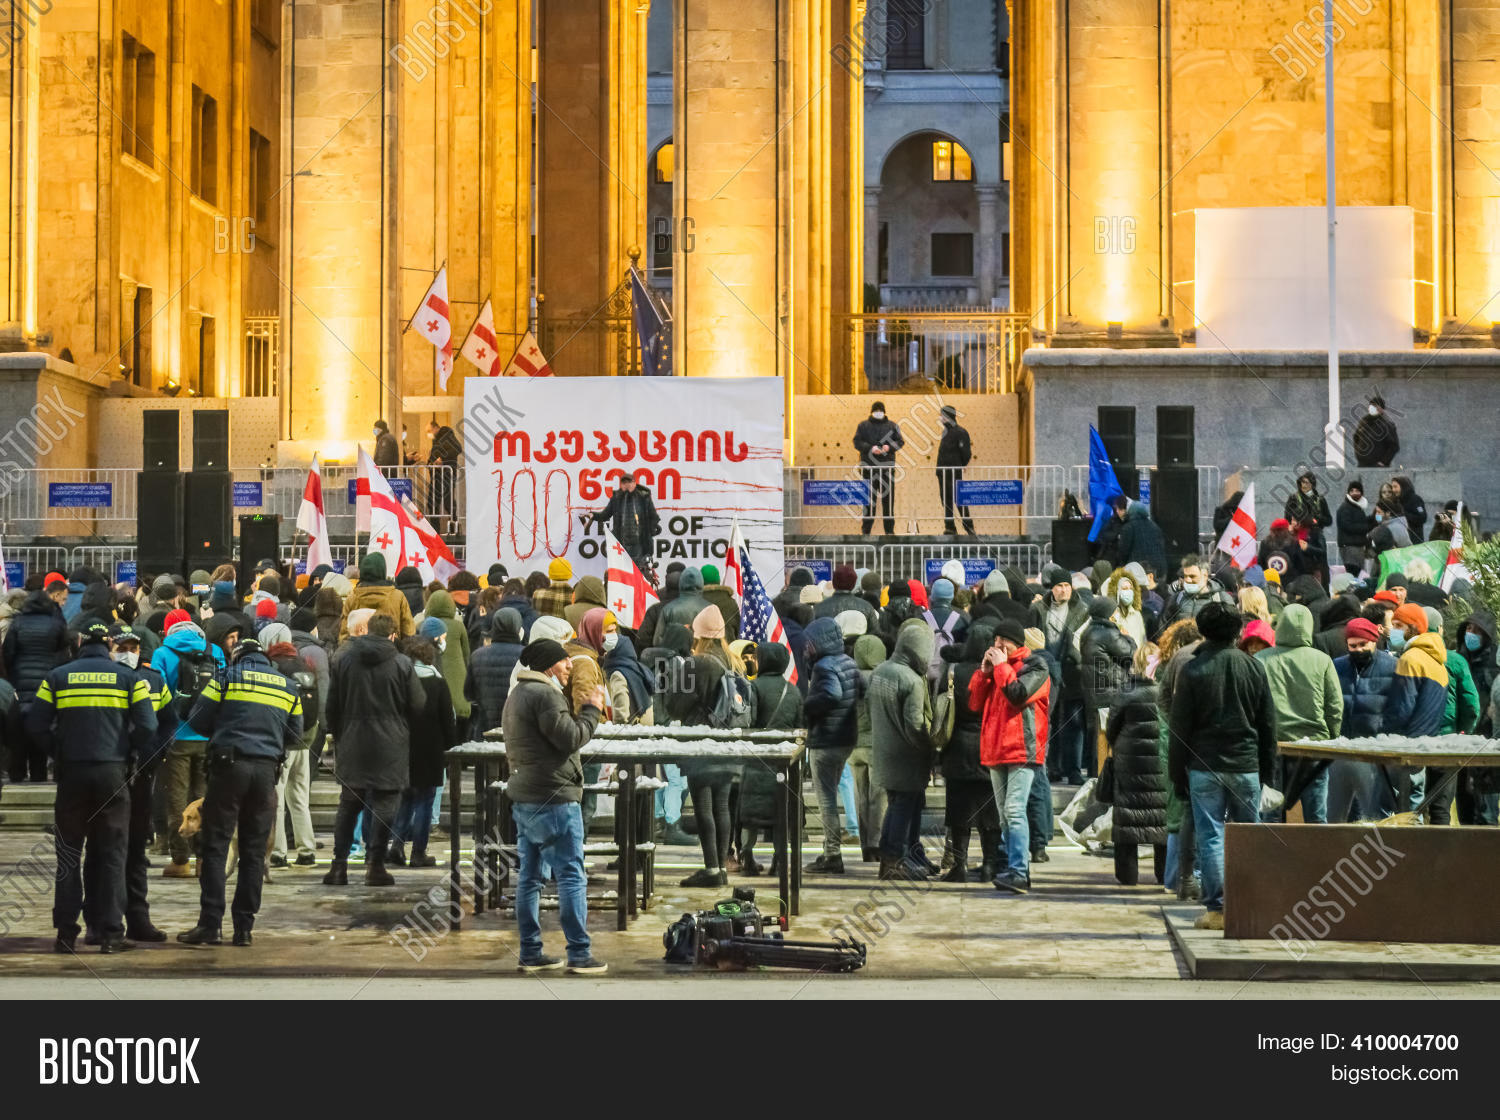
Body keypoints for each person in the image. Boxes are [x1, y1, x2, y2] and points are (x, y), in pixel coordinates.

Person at [29, 620, 157, 954]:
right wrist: (126, 750)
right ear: (110, 645)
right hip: (113, 773)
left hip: (72, 772)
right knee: (112, 854)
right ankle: (111, 933)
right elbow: (148, 725)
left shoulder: (57, 677)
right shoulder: (129, 679)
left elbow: (36, 724)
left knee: (69, 855)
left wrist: (59, 751)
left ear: (80, 643)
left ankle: (66, 933)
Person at [174, 638, 303, 947]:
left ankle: (211, 925)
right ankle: (244, 929)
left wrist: (224, 726)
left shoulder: (225, 678)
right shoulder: (287, 686)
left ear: (238, 657)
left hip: (228, 768)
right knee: (253, 851)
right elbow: (296, 735)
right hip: (266, 772)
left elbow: (198, 719)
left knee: (216, 846)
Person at [1167, 601, 1277, 930]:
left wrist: (1177, 775)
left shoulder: (1192, 670)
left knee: (1212, 837)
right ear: (1237, 632)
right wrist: (1267, 771)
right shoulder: (1254, 667)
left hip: (1204, 765)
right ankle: (1247, 906)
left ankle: (1218, 909)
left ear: (1203, 631)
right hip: (1246, 765)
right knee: (1248, 836)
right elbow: (1268, 725)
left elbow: (1179, 729)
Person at [502, 637, 608, 974]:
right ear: (549, 664)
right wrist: (591, 709)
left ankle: (530, 951)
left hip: (526, 797)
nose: (569, 666)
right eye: (564, 661)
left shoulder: (517, 694)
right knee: (571, 875)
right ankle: (579, 953)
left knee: (530, 878)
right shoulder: (545, 695)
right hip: (554, 799)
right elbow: (571, 738)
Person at [322, 613, 426, 886]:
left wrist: (340, 734)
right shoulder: (402, 664)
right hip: (390, 745)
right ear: (392, 635)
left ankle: (338, 866)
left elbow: (331, 706)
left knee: (349, 804)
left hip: (352, 742)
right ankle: (375, 865)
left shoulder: (344, 660)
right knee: (385, 805)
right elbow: (418, 705)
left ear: (367, 631)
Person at [660, 606, 748, 886]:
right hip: (729, 741)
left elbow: (675, 706)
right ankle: (721, 868)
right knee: (722, 806)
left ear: (698, 636)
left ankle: (711, 869)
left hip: (702, 743)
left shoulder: (697, 664)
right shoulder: (734, 661)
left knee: (703, 806)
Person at [970, 618, 1051, 894]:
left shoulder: (1036, 666)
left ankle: (1019, 872)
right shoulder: (996, 669)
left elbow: (1018, 694)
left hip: (1021, 750)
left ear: (1016, 643)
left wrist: (1002, 667)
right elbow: (974, 703)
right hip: (995, 750)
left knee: (1015, 811)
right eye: (995, 641)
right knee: (1004, 815)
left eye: (1003, 640)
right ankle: (1012, 869)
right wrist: (983, 674)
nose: (997, 645)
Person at [152, 611, 227, 877]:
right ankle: (205, 861)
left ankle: (181, 860)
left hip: (176, 737)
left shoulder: (162, 653)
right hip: (209, 736)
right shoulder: (215, 652)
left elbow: (158, 693)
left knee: (177, 800)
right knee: (205, 801)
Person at [1253, 604, 1343, 823]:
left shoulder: (1260, 659)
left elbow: (1252, 705)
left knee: (1271, 815)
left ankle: (1272, 847)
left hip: (1273, 746)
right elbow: (1335, 706)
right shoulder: (1322, 660)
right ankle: (1316, 847)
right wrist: (1331, 738)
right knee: (1316, 817)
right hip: (1314, 747)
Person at [937, 620, 1002, 881]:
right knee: (991, 812)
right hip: (989, 747)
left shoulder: (955, 671)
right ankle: (989, 866)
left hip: (958, 747)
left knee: (958, 811)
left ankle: (959, 866)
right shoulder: (996, 672)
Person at [870, 619, 936, 880]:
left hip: (883, 752)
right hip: (907, 757)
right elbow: (915, 724)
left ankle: (896, 858)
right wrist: (930, 747)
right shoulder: (912, 680)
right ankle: (895, 860)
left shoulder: (880, 671)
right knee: (904, 807)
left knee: (896, 805)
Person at [800, 616, 862, 874]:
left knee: (826, 800)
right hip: (846, 739)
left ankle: (833, 855)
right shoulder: (849, 661)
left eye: (810, 643)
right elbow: (860, 690)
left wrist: (807, 706)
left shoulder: (823, 666)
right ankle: (828, 849)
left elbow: (832, 693)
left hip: (825, 740)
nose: (807, 648)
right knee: (831, 793)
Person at [388, 636, 456, 868]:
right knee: (425, 802)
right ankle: (418, 852)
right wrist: (451, 749)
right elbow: (448, 721)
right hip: (431, 750)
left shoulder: (400, 682)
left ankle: (396, 846)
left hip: (403, 748)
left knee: (405, 800)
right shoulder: (438, 684)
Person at [1105, 645, 1168, 885]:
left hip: (1129, 761)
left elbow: (1111, 729)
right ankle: (1164, 873)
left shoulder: (1125, 692)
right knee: (1161, 817)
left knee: (1126, 817)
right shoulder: (1166, 692)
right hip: (1160, 760)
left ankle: (1127, 875)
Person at [261, 623, 321, 868]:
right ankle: (307, 850)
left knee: (276, 798)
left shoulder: (273, 666)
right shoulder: (305, 664)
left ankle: (278, 852)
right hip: (305, 740)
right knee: (299, 797)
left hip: (282, 742)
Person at [740, 642, 803, 874]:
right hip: (783, 763)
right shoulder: (794, 691)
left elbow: (748, 722)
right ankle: (780, 859)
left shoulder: (753, 687)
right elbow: (800, 728)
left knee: (749, 816)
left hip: (757, 760)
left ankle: (747, 856)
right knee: (781, 814)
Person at [2, 575, 70, 782]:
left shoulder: (18, 623)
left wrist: (13, 674)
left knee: (17, 729)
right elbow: (63, 654)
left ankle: (17, 773)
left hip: (20, 682)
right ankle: (38, 773)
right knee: (41, 725)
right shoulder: (56, 623)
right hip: (46, 682)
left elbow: (8, 653)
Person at [584, 472, 662, 574]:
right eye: (624, 483)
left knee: (639, 574)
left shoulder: (644, 498)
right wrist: (593, 515)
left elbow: (654, 517)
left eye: (629, 482)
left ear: (634, 483)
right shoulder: (616, 499)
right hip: (622, 545)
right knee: (623, 574)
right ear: (621, 485)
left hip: (639, 545)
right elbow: (604, 515)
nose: (627, 485)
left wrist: (650, 532)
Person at [467, 608, 526, 733]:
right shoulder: (526, 655)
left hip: (485, 726)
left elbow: (469, 693)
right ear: (518, 627)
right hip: (516, 727)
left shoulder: (477, 655)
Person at [853, 400, 903, 536]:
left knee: (888, 501)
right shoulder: (863, 426)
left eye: (880, 411)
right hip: (869, 469)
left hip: (886, 469)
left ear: (884, 412)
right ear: (872, 412)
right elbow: (856, 442)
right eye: (876, 411)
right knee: (869, 501)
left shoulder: (892, 426)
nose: (878, 413)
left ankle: (889, 531)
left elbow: (900, 441)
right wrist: (870, 448)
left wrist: (889, 447)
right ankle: (866, 530)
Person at [339, 554, 416, 639]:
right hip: (391, 646)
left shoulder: (352, 598)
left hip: (358, 647)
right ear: (383, 571)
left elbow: (344, 634)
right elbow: (409, 633)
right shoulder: (398, 596)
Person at [936, 404, 976, 536]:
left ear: (947, 416)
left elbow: (966, 453)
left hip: (953, 471)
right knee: (946, 500)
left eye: (942, 415)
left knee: (959, 499)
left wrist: (960, 465)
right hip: (943, 472)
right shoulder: (945, 432)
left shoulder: (960, 432)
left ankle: (969, 527)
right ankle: (950, 527)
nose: (940, 417)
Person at [1159, 556, 1233, 629]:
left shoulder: (1222, 598)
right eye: (1185, 576)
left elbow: (1232, 630)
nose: (1187, 580)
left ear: (1205, 575)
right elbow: (1163, 629)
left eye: (1192, 576)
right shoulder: (1175, 599)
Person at [653, 565, 712, 645]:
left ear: (681, 583)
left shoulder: (668, 609)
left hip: (674, 651)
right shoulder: (711, 609)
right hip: (702, 652)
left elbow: (657, 641)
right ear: (701, 584)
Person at [1114, 500, 1168, 584]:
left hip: (1139, 570)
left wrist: (1121, 566)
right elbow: (1162, 547)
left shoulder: (1128, 527)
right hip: (1159, 569)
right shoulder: (1155, 527)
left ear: (1130, 512)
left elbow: (1123, 551)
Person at [425, 418, 463, 530]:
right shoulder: (436, 440)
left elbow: (457, 448)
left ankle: (455, 528)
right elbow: (434, 455)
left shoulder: (447, 434)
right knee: (432, 503)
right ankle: (435, 530)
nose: (429, 434)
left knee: (448, 502)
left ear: (435, 427)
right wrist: (430, 463)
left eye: (429, 431)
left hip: (447, 475)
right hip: (436, 476)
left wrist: (442, 459)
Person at [1335, 479, 1372, 575]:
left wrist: (1373, 519)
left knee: (1357, 575)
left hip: (1356, 547)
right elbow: (1348, 526)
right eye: (1352, 491)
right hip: (1350, 547)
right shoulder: (1346, 508)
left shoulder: (1356, 507)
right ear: (1348, 493)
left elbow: (1360, 522)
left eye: (1357, 490)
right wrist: (1367, 527)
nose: (1355, 493)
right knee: (1354, 574)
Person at [1353, 394, 1399, 468]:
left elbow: (1393, 446)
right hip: (1362, 465)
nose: (1371, 407)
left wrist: (1383, 462)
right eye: (1370, 405)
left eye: (1375, 405)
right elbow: (1356, 438)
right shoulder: (1364, 422)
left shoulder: (1386, 424)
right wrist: (1358, 454)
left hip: (1378, 466)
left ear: (1381, 409)